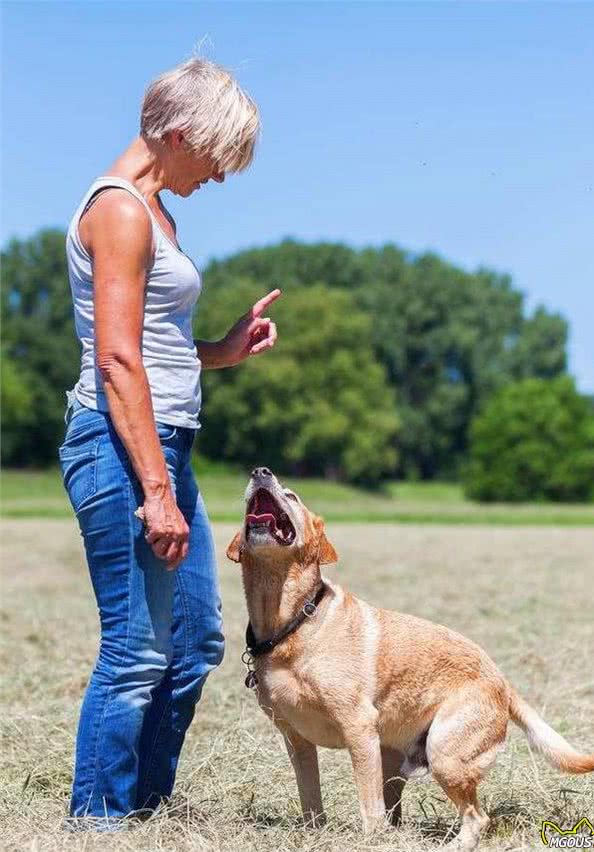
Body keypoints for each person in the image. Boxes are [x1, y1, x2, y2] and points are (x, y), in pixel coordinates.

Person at [58, 56, 280, 830]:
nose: (218, 177)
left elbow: (154, 344)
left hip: (165, 446)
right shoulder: (119, 210)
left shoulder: (156, 211)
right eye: (216, 159)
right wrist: (155, 491)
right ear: (179, 133)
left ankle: (146, 813)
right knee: (134, 651)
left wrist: (222, 348)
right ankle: (98, 824)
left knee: (193, 648)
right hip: (123, 451)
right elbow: (116, 360)